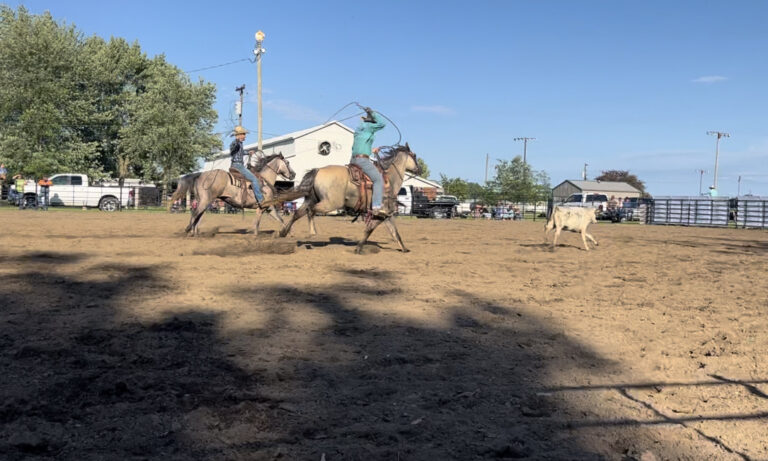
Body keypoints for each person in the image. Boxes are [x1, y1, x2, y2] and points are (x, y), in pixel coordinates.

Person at [350, 107, 387, 216]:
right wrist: (371, 112)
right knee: (378, 179)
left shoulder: (358, 130)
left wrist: (371, 150)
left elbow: (360, 147)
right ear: (372, 122)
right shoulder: (370, 127)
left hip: (353, 159)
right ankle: (376, 207)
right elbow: (383, 123)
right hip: (362, 160)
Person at [229, 126, 263, 205]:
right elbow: (234, 146)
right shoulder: (236, 143)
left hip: (235, 165)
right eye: (244, 134)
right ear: (240, 135)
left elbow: (240, 152)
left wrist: (248, 152)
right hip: (238, 166)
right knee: (254, 179)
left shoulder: (240, 144)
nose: (245, 136)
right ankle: (261, 200)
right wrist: (237, 139)